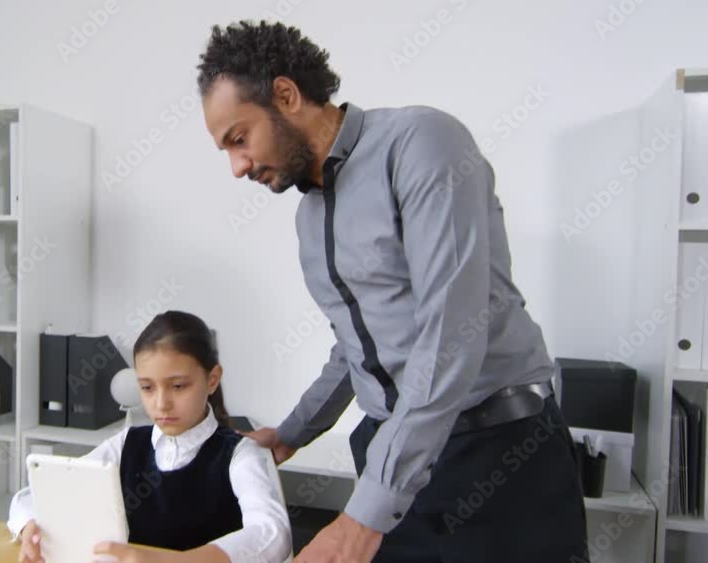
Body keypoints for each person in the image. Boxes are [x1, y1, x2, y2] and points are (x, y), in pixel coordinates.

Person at [196, 21, 588, 563]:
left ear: (285, 96)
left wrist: (362, 517)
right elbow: (355, 347)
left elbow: (450, 334)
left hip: (498, 455)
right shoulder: (311, 217)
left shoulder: (422, 142)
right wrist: (290, 435)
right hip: (393, 459)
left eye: (239, 139)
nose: (237, 167)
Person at [7, 310, 292, 563]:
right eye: (147, 388)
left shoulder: (240, 455)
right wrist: (31, 525)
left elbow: (272, 533)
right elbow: (31, 497)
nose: (161, 403)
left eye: (178, 386)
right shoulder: (124, 445)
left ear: (212, 379)